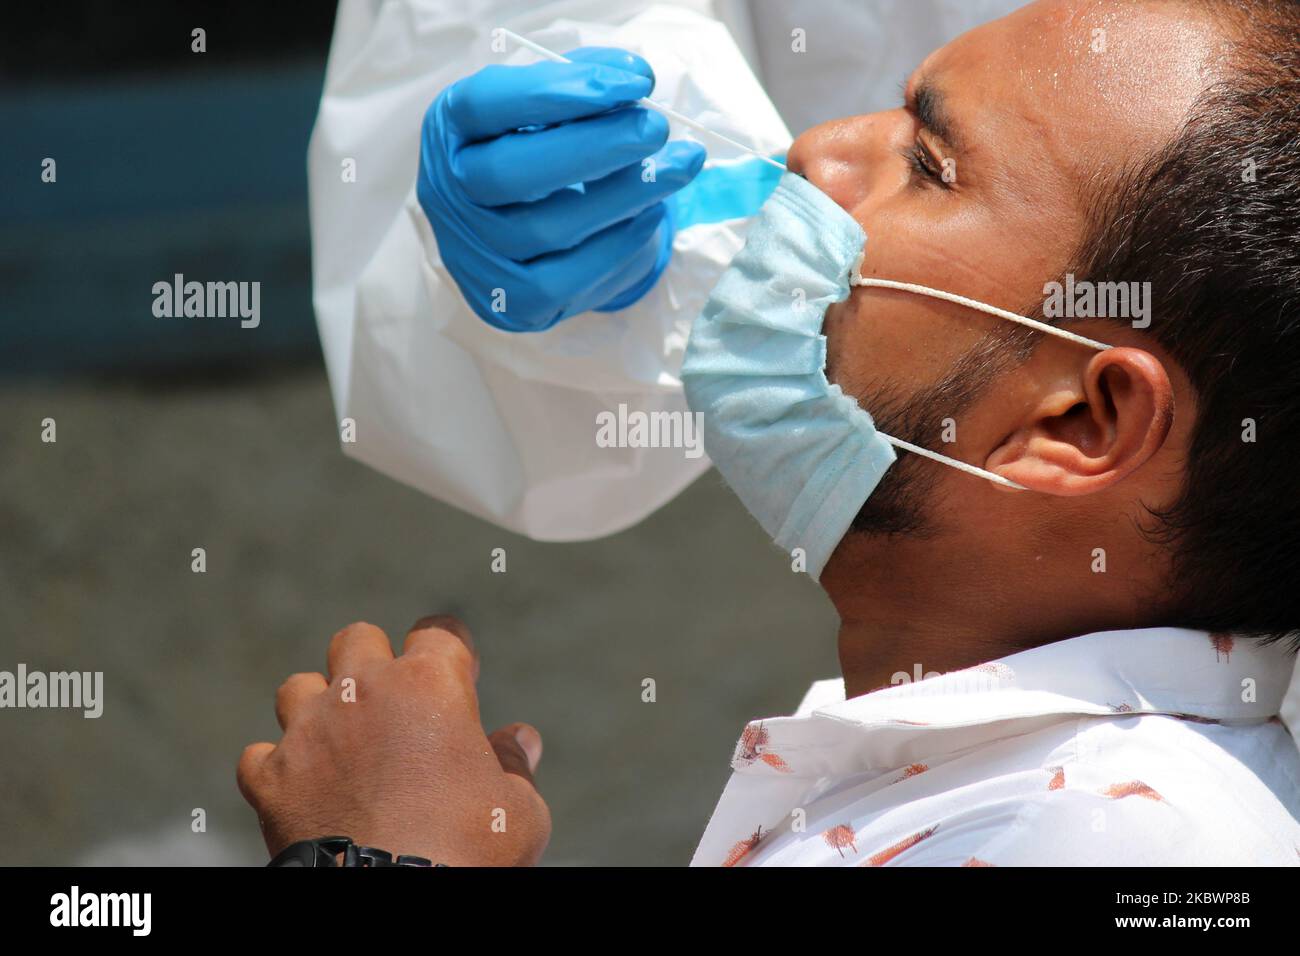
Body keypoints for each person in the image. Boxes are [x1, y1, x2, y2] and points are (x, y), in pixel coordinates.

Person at [245, 0, 1300, 865]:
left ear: (1079, 418)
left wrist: (377, 853)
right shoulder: (990, 785)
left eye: (926, 164)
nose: (815, 148)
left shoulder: (1109, 836)